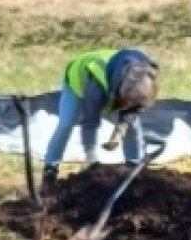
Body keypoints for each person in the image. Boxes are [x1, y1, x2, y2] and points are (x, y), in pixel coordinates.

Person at [39, 49, 159, 195]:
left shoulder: (144, 78)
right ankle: (50, 171)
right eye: (125, 101)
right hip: (79, 80)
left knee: (133, 126)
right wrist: (91, 157)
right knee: (67, 122)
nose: (127, 105)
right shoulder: (97, 86)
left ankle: (133, 167)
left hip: (113, 80)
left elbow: (133, 110)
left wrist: (120, 131)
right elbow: (90, 122)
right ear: (121, 90)